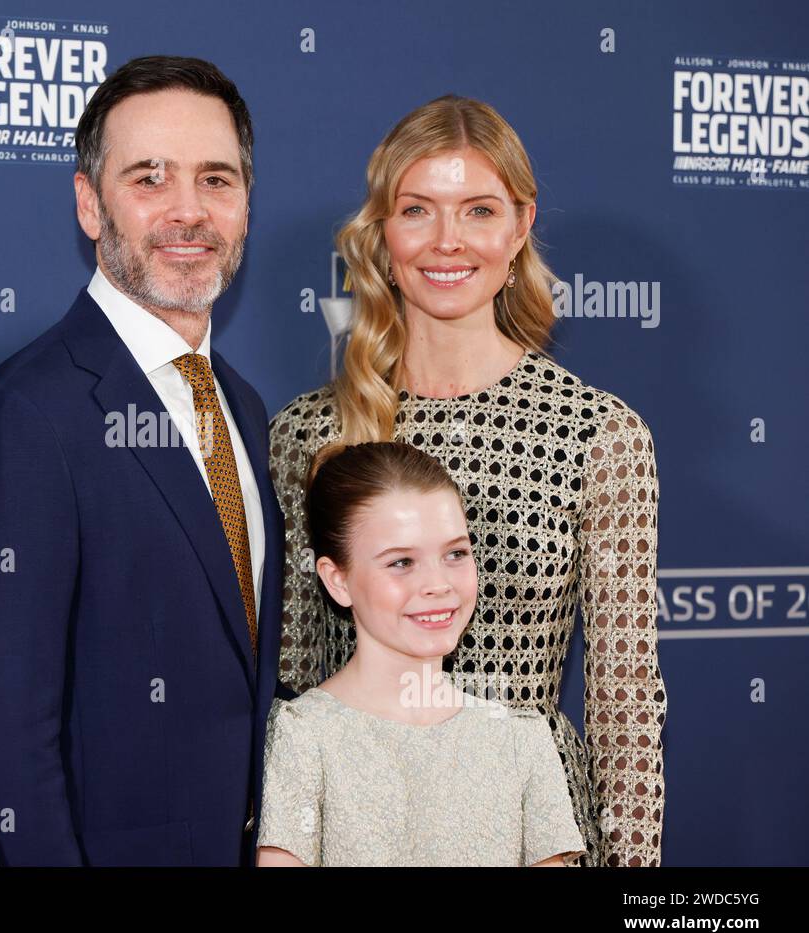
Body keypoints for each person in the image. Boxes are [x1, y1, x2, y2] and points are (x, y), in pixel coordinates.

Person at [268, 94, 666, 866]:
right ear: (383, 232)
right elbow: (298, 675)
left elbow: (626, 709)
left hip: (532, 829)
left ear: (519, 228)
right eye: (417, 210)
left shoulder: (599, 435)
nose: (447, 240)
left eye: (478, 210)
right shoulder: (306, 433)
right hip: (363, 823)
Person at [0, 55, 288, 866]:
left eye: (216, 180)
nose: (188, 210)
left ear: (246, 202)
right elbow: (6, 729)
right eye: (149, 178)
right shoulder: (28, 412)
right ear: (88, 203)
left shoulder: (242, 404)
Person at [257, 441, 586, 866]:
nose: (438, 584)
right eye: (401, 562)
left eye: (455, 553)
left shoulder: (520, 742)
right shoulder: (304, 736)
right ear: (337, 580)